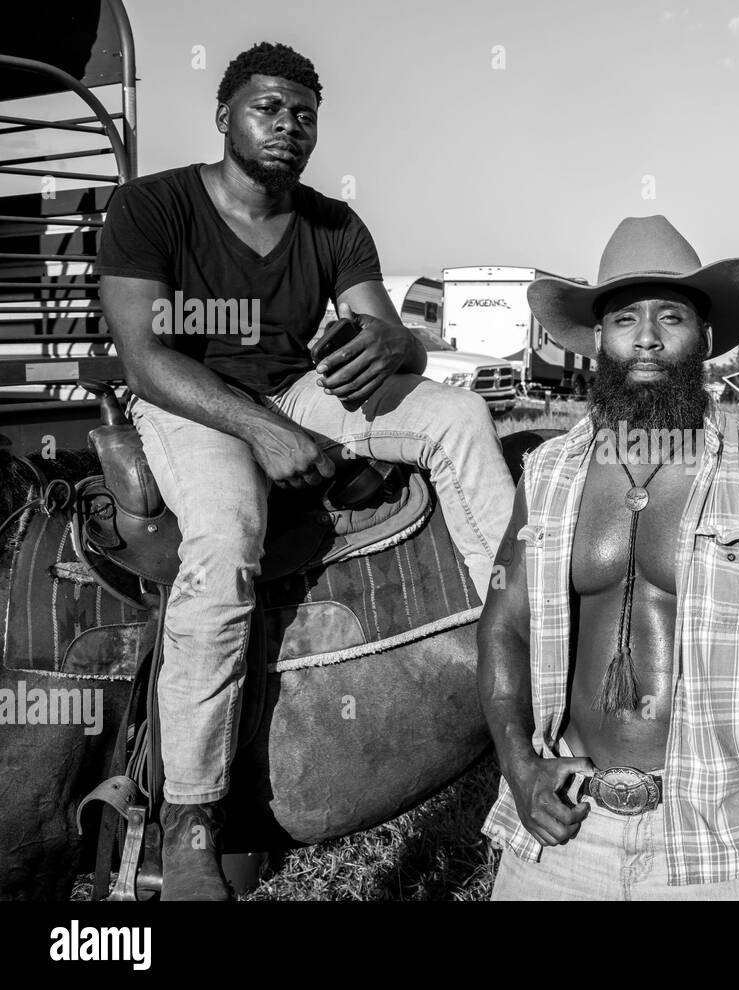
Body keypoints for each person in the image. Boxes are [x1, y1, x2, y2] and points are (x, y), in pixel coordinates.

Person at [96, 42, 516, 899]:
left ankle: (531, 653)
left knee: (460, 418)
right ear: (224, 116)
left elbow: (384, 327)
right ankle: (191, 819)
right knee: (226, 538)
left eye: (304, 115)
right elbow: (141, 356)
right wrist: (267, 434)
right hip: (189, 400)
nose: (289, 126)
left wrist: (391, 346)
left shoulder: (332, 223)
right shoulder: (152, 205)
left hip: (298, 389)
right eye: (268, 108)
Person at [477, 215, 739, 900]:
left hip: (724, 841)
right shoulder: (545, 476)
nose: (648, 339)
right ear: (598, 338)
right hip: (564, 825)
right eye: (626, 319)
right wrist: (521, 767)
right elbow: (504, 626)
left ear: (706, 338)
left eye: (672, 318)